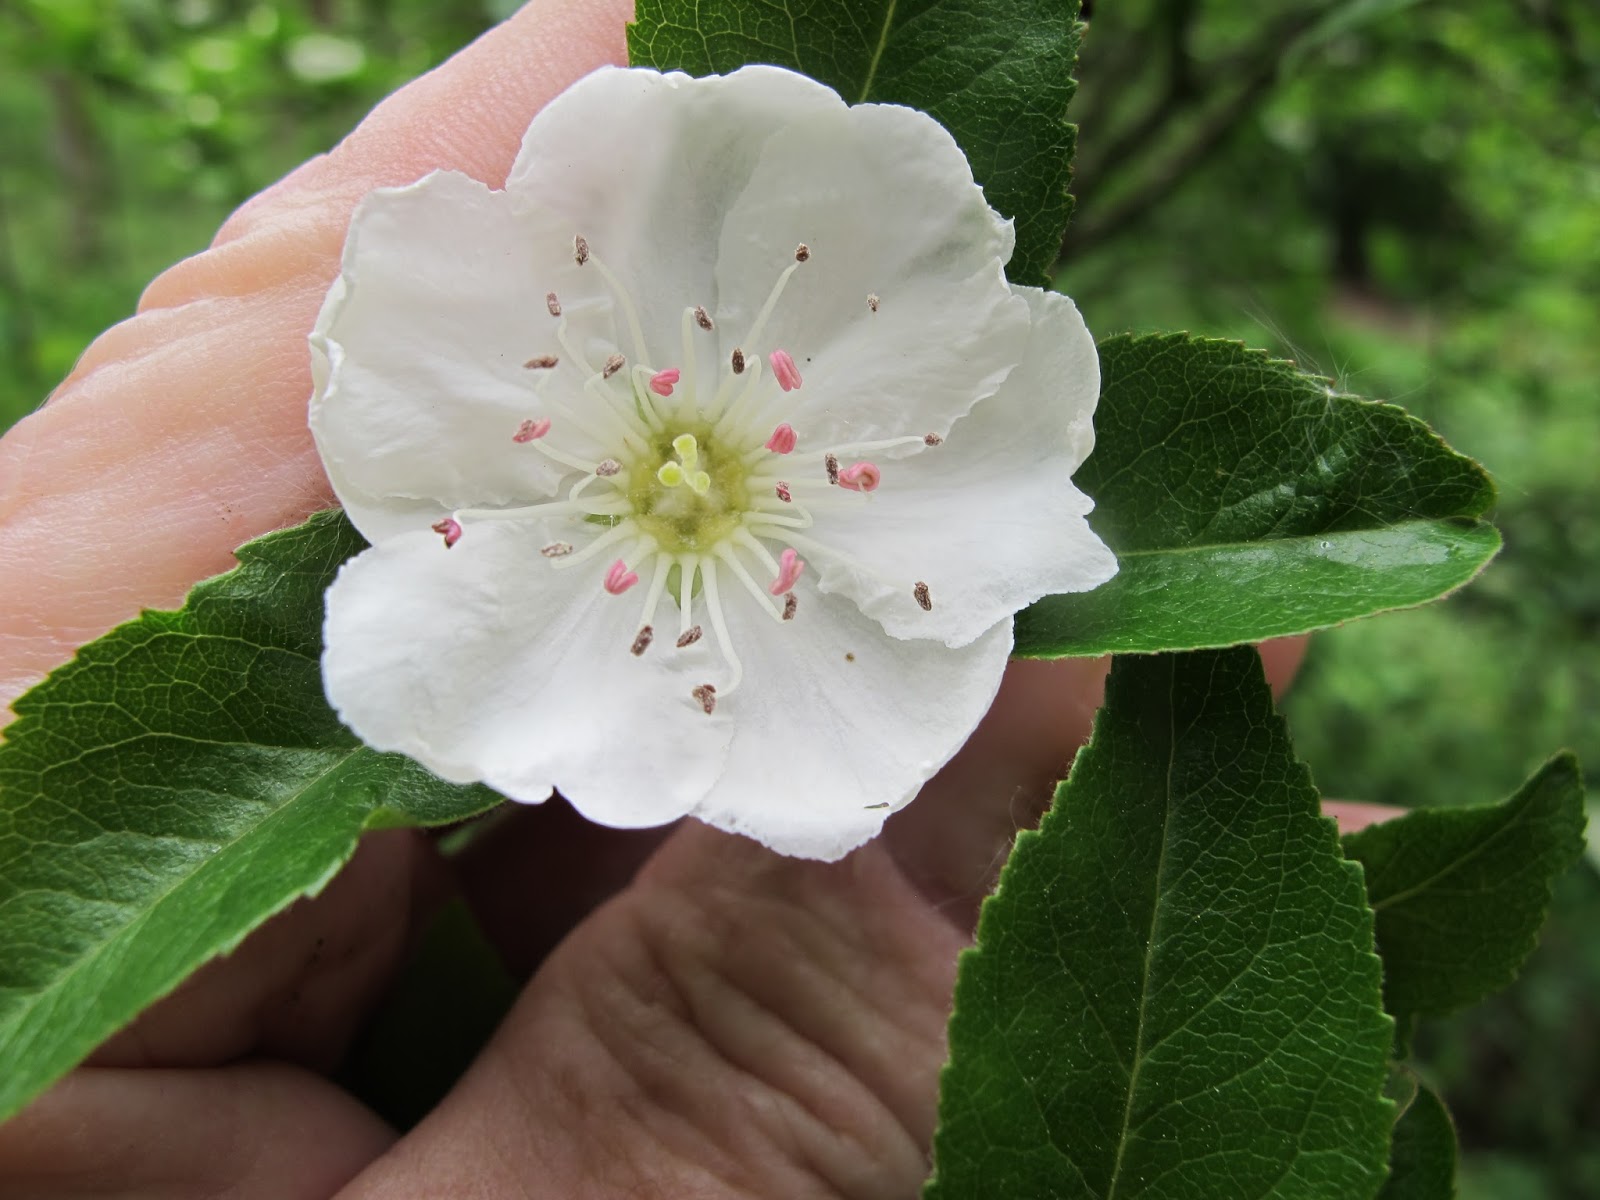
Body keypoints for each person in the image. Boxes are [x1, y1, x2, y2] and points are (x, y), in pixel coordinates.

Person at [0, 1, 1375, 1193]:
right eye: (677, 474)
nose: (683, 477)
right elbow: (397, 329)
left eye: (694, 473)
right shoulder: (436, 323)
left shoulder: (927, 508)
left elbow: (994, 522)